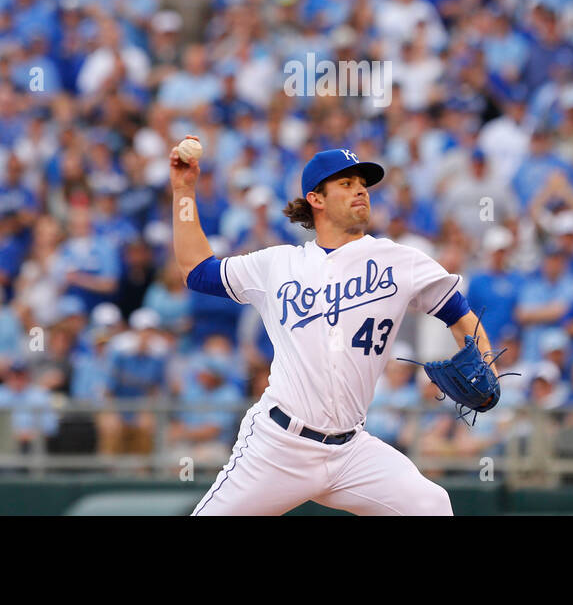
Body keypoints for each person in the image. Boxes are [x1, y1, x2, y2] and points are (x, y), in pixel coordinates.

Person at [171, 138, 499, 516]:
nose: (360, 189)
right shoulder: (277, 265)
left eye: (362, 183)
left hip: (351, 451)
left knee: (432, 505)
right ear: (317, 199)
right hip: (279, 446)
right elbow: (195, 270)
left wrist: (487, 365)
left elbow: (460, 315)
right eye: (345, 184)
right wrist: (183, 190)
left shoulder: (399, 261)